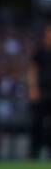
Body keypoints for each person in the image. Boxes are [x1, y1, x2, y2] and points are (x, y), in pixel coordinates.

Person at [29, 25, 51, 160]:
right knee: (37, 123)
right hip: (42, 93)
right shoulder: (40, 52)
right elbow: (33, 71)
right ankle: (34, 153)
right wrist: (33, 88)